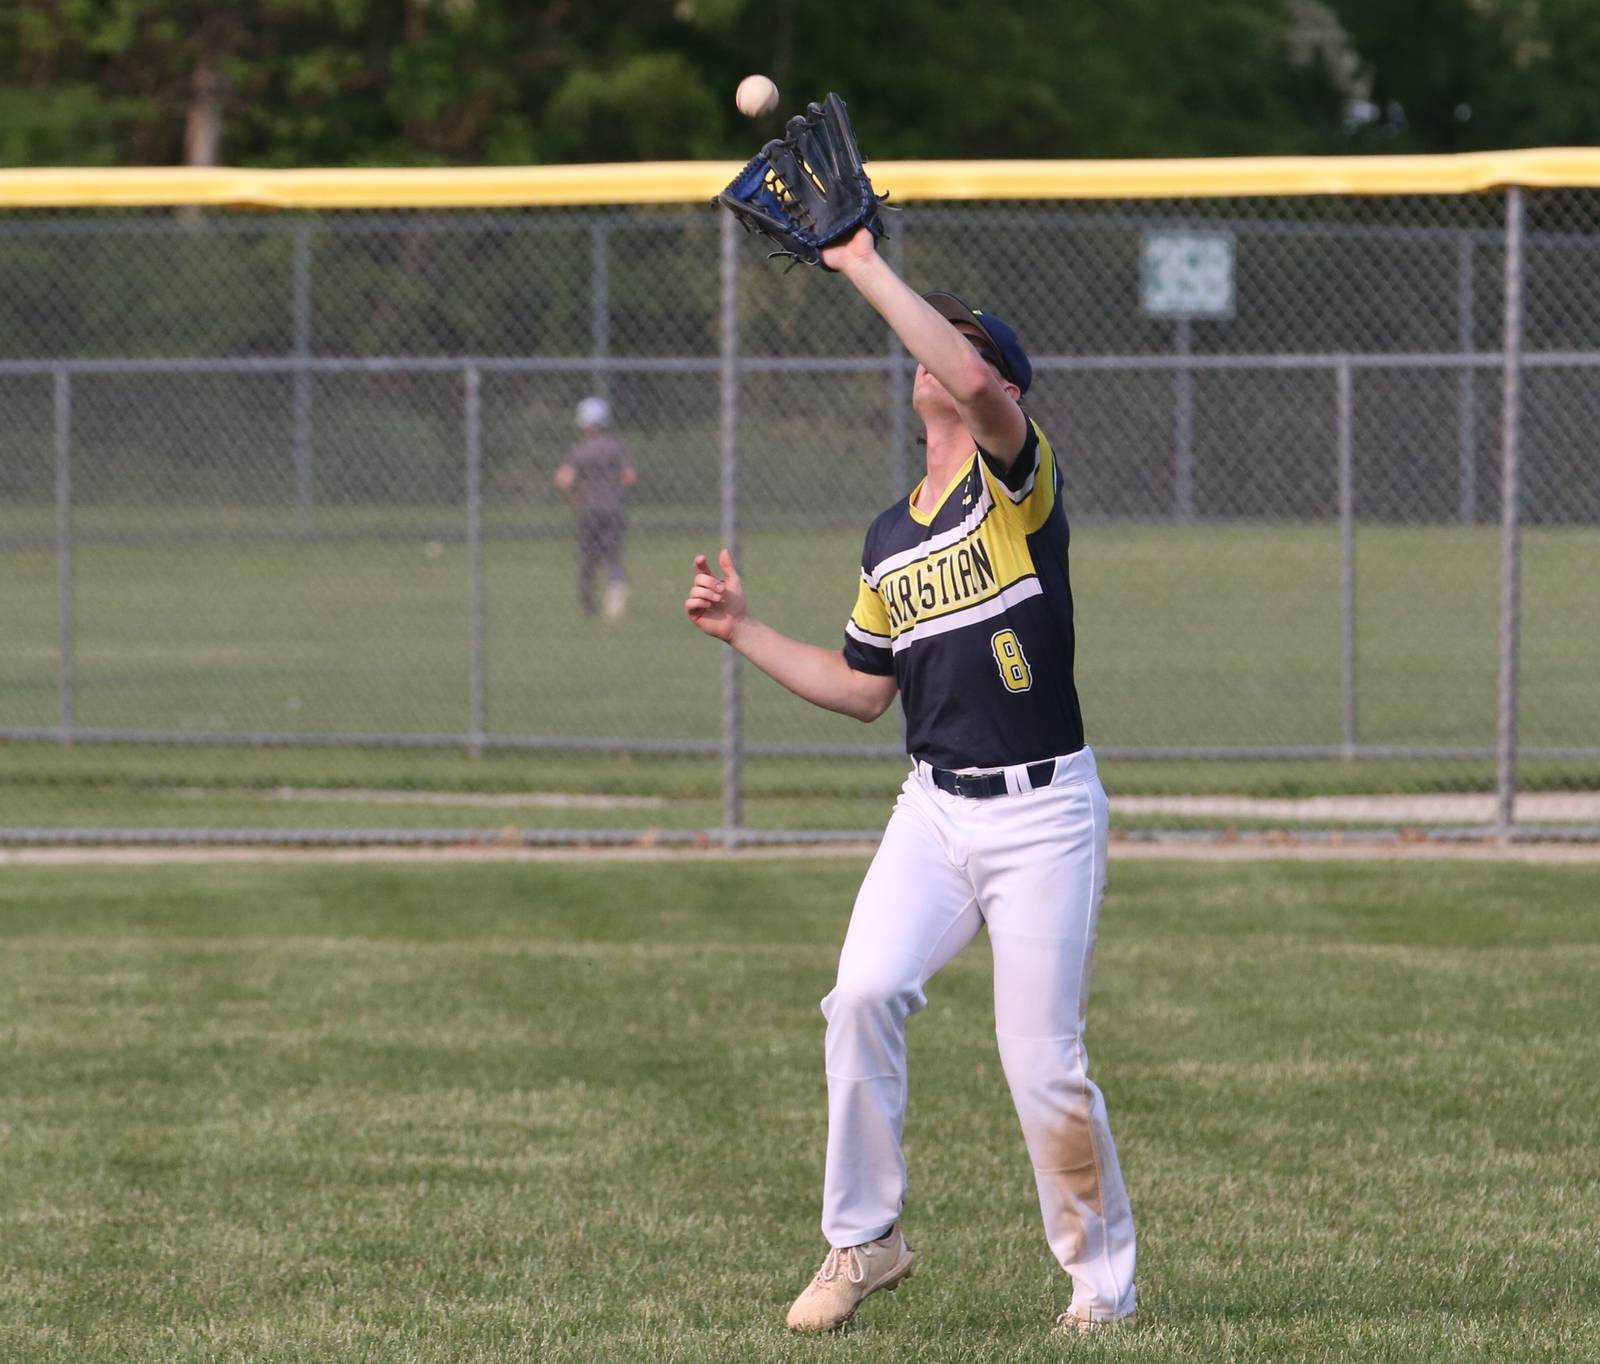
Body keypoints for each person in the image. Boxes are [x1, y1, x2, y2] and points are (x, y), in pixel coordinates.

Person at [684, 226, 1137, 1337]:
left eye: (962, 343)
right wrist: (743, 631)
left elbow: (975, 374)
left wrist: (857, 263)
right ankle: (865, 1238)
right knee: (863, 993)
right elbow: (858, 686)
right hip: (935, 807)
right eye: (934, 338)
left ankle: (1102, 1283)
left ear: (999, 384)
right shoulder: (891, 536)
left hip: (1045, 813)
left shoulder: (1012, 482)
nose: (937, 353)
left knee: (1040, 1062)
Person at [555, 396, 637, 619]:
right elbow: (629, 477)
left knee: (588, 557)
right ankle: (616, 590)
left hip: (589, 509)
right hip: (614, 507)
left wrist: (575, 494)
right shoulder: (616, 448)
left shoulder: (580, 451)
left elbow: (564, 480)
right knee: (612, 554)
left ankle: (587, 603)